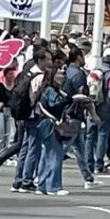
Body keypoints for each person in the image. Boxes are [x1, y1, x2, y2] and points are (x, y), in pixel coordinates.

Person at [0, 47, 53, 188]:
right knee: (32, 148)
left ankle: (19, 180)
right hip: (33, 114)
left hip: (24, 114)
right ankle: (26, 181)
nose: (50, 62)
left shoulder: (28, 72)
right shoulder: (39, 76)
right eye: (48, 59)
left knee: (25, 147)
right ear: (40, 60)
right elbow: (34, 98)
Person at [61, 48, 99, 189]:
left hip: (70, 112)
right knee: (63, 148)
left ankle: (88, 177)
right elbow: (82, 96)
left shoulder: (68, 72)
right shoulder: (78, 74)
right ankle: (42, 175)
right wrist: (93, 113)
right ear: (77, 57)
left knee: (79, 148)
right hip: (74, 113)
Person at [34, 66, 73, 196]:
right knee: (55, 155)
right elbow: (54, 105)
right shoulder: (50, 91)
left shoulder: (49, 90)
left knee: (46, 155)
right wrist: (68, 101)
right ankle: (54, 186)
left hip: (44, 124)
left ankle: (42, 184)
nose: (62, 74)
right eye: (60, 72)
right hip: (50, 124)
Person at [93, 49, 110, 174]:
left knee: (90, 135)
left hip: (92, 105)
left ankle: (89, 162)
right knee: (102, 134)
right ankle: (99, 163)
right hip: (104, 107)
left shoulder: (96, 70)